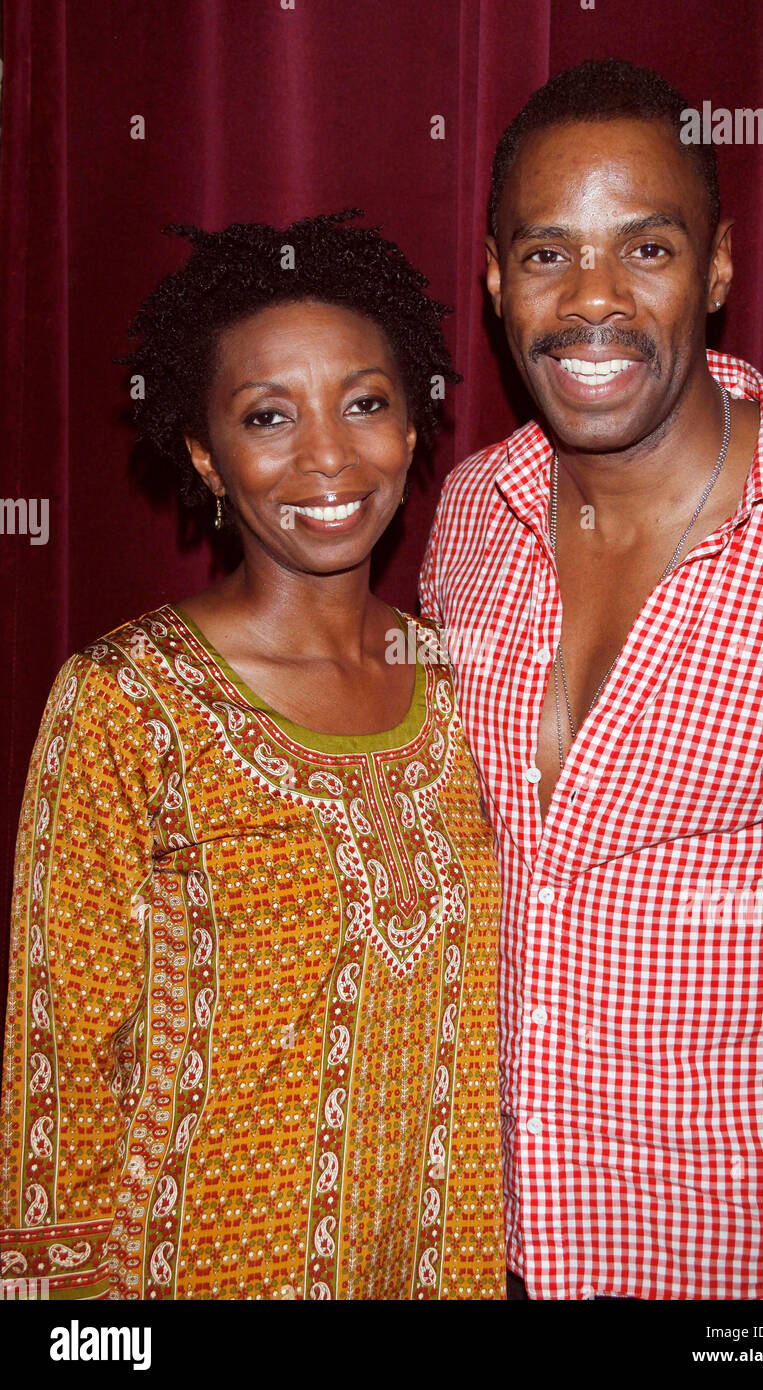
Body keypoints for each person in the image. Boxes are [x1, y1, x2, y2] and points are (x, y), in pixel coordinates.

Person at [419, 58, 763, 1301]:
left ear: (719, 268)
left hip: (758, 1269)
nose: (594, 302)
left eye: (648, 249)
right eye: (548, 253)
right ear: (495, 278)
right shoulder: (466, 516)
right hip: (497, 1246)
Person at [0, 212, 505, 1300]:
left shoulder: (469, 683)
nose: (328, 456)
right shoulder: (126, 702)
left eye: (366, 403)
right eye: (267, 416)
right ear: (203, 453)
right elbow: (61, 1073)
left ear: (414, 430)